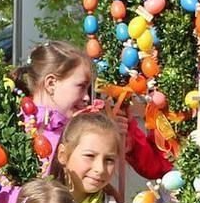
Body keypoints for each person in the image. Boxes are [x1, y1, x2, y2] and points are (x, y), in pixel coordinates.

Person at [16, 40, 171, 182]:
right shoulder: (16, 127)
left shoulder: (82, 123)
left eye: (88, 89)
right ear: (51, 84)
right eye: (81, 86)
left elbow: (152, 166)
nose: (85, 97)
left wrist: (114, 136)